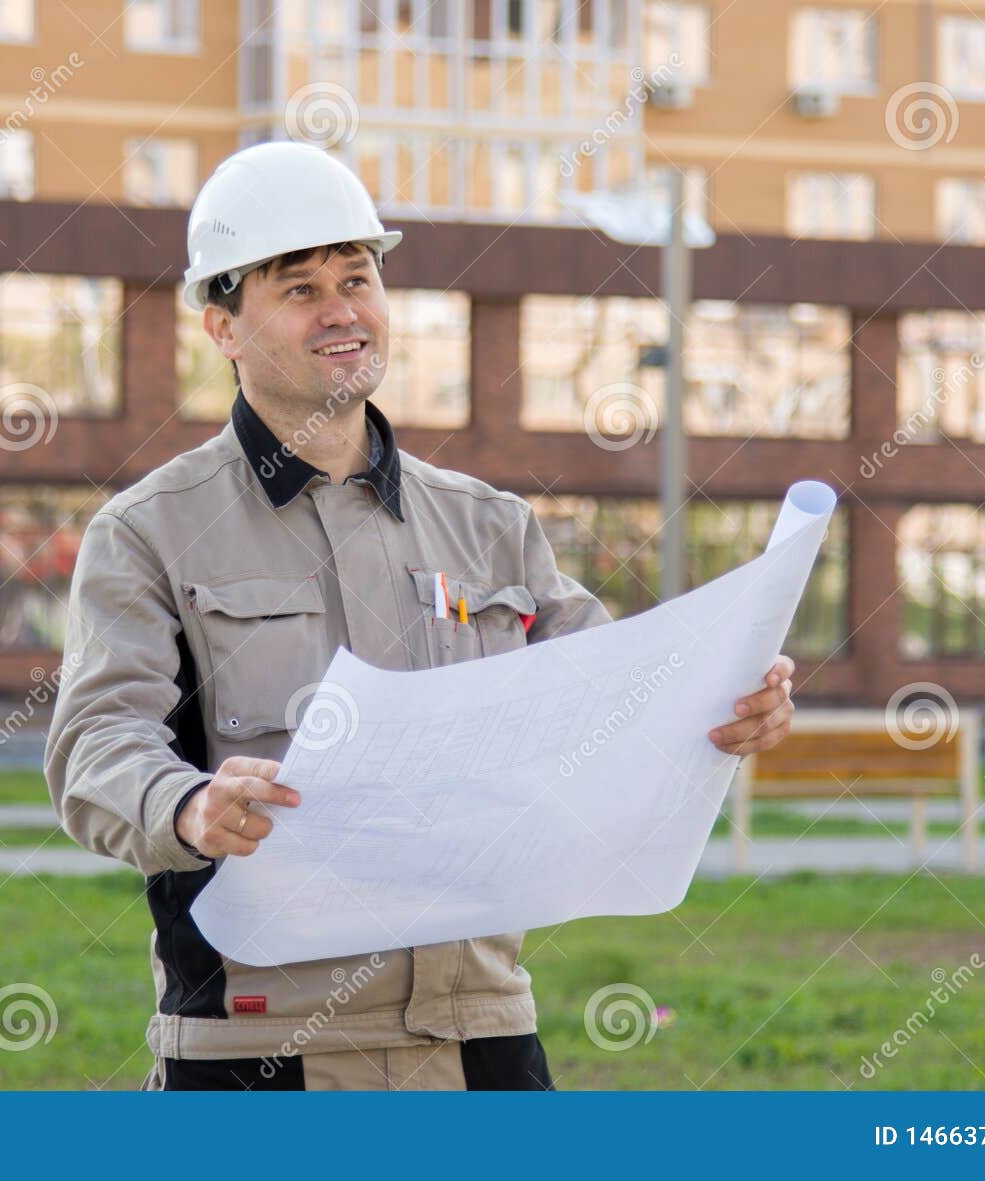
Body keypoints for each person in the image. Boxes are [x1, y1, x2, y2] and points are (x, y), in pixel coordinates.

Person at [43, 141, 797, 1091]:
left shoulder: (490, 527)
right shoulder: (149, 531)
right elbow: (94, 745)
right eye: (301, 289)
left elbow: (623, 690)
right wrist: (187, 805)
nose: (343, 310)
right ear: (222, 327)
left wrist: (730, 699)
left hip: (480, 1033)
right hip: (254, 1052)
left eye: (357, 278)